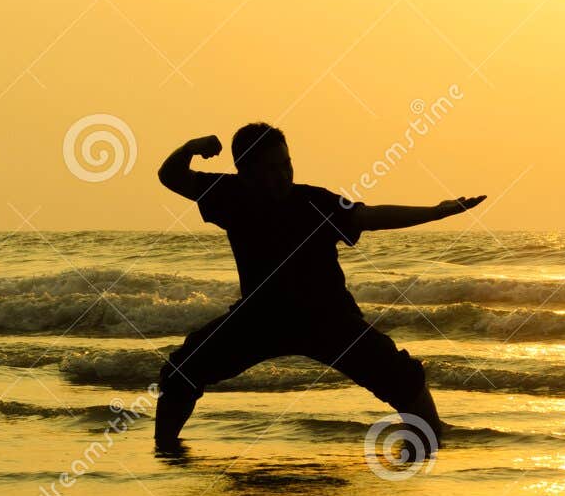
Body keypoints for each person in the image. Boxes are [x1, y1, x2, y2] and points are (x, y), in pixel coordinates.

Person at [154, 122, 485, 456]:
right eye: (271, 168)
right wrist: (191, 147)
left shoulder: (313, 202)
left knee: (403, 377)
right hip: (261, 317)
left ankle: (430, 444)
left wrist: (435, 212)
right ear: (246, 171)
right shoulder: (230, 194)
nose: (283, 175)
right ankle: (166, 452)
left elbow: (369, 216)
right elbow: (170, 176)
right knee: (182, 371)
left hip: (326, 318)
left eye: (286, 164)